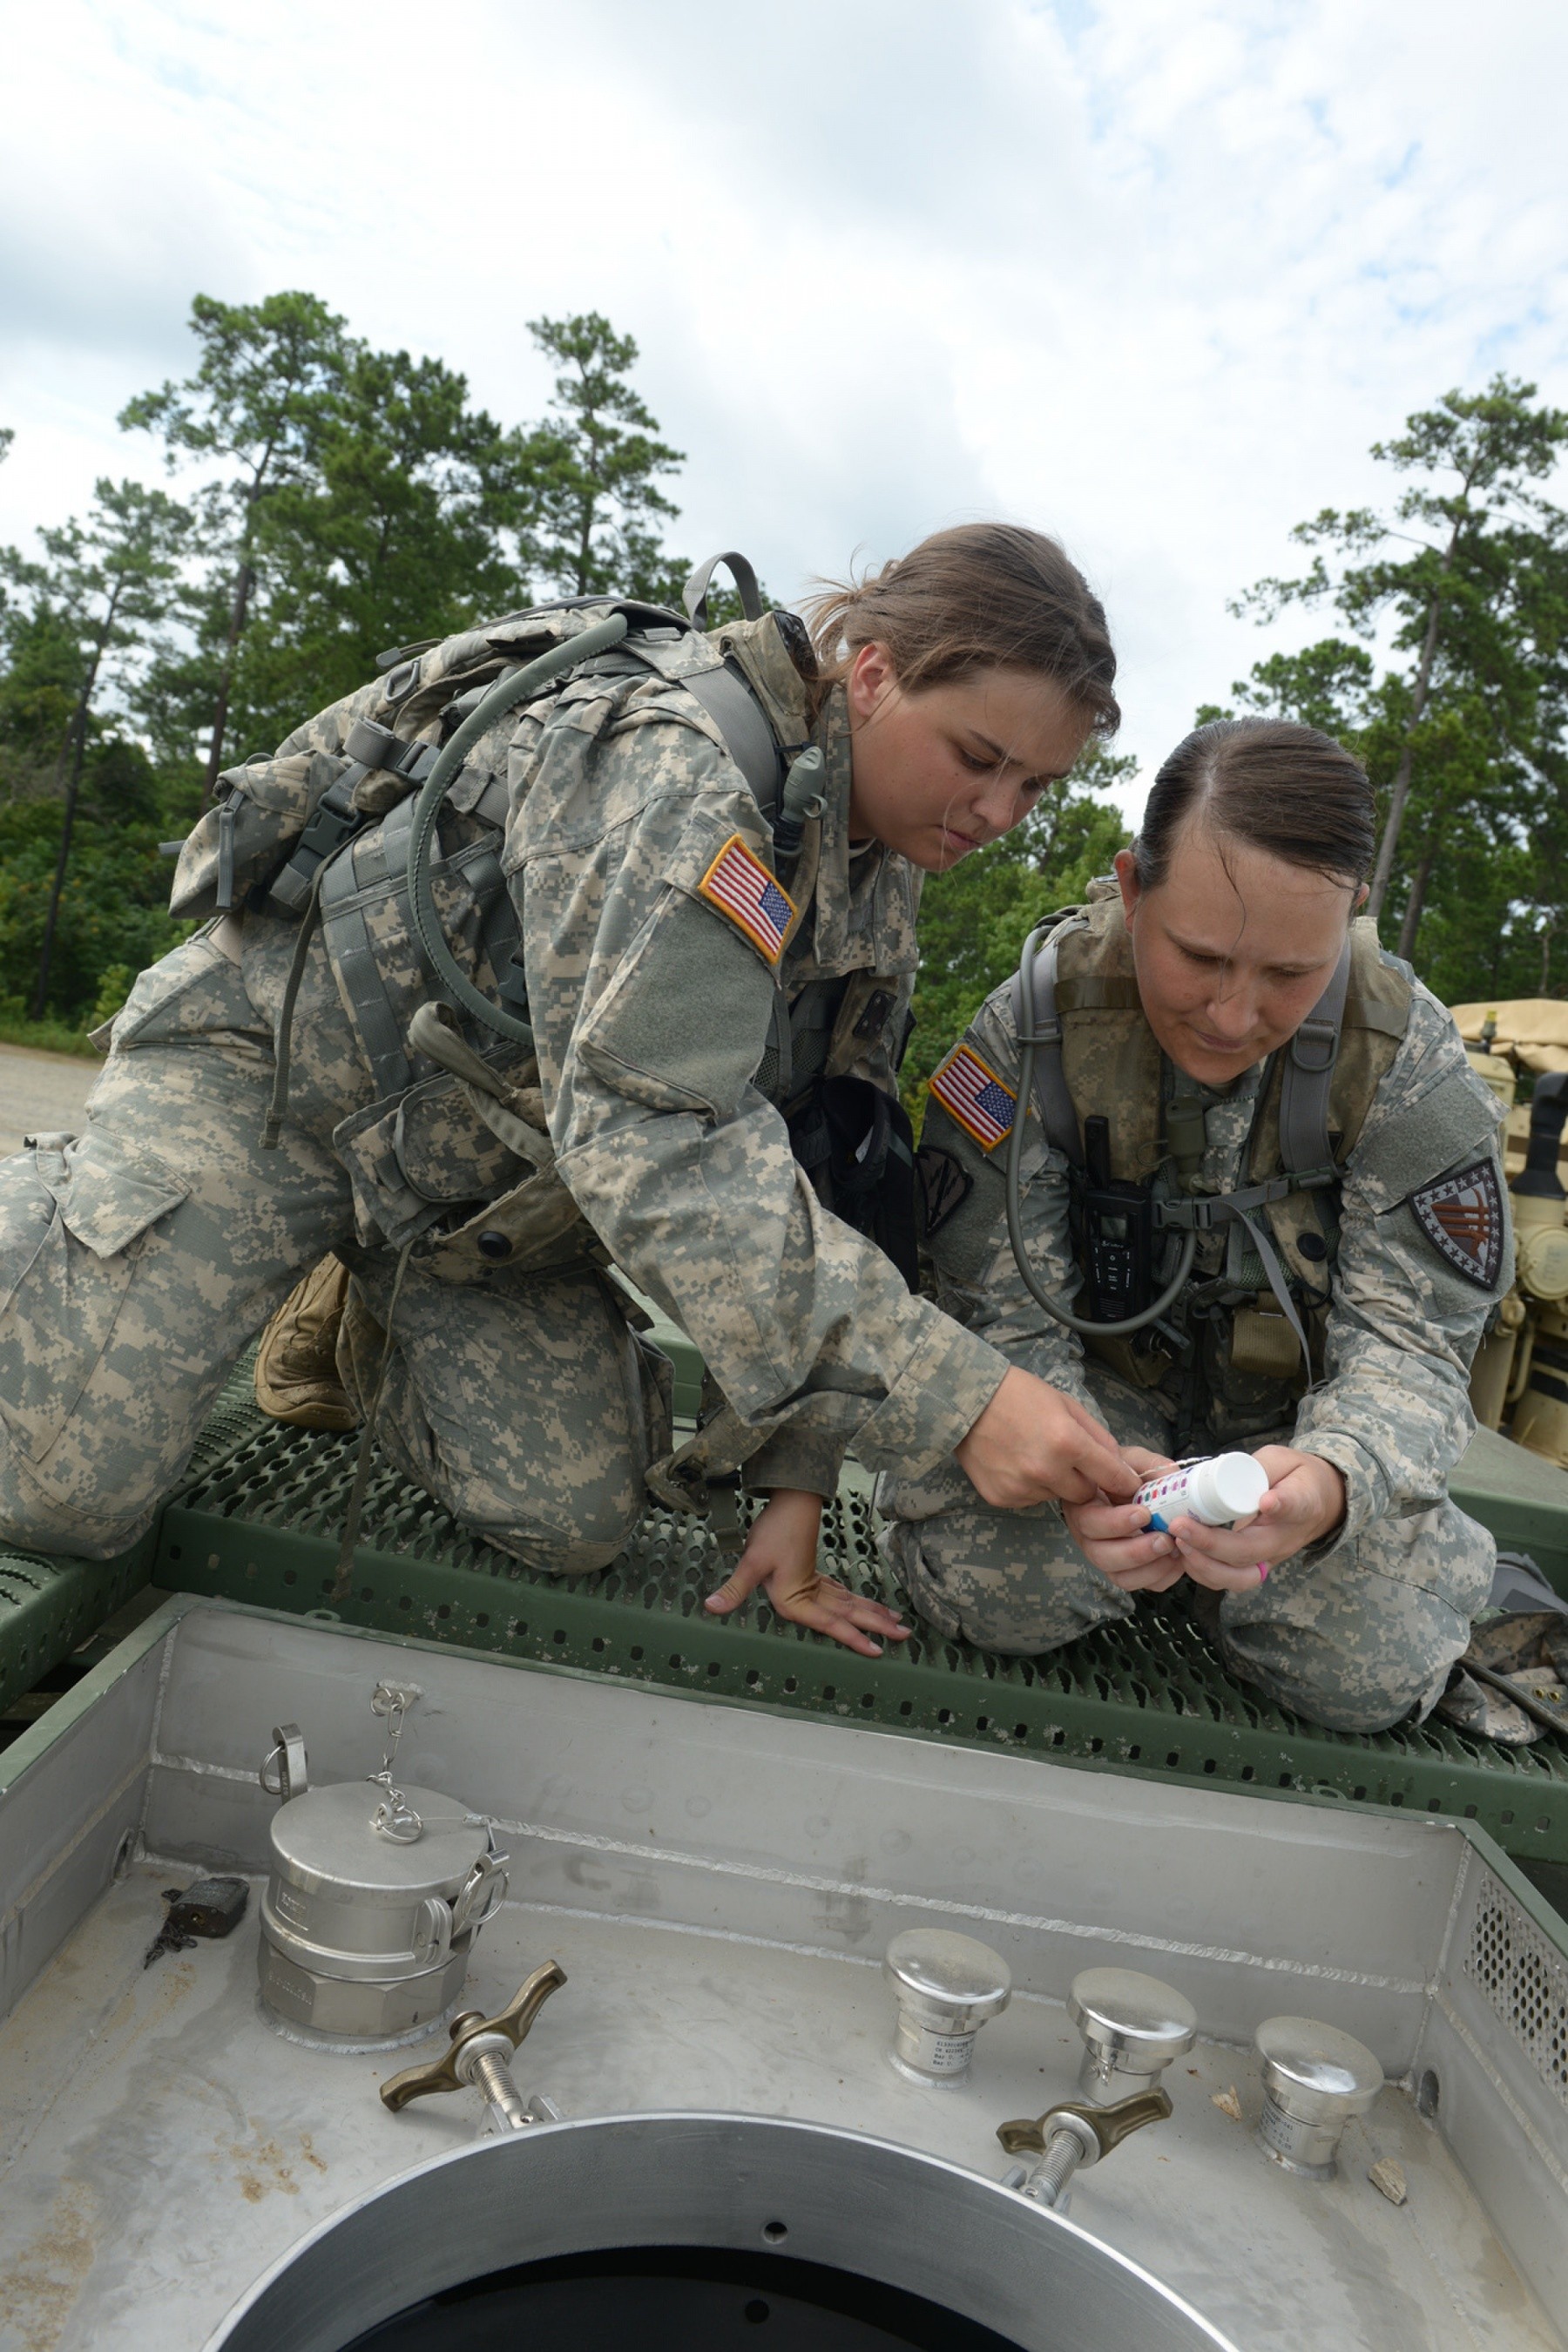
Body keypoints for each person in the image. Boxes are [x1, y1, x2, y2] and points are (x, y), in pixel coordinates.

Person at [0, 525, 1140, 1647]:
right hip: (275, 1082)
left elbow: (821, 1148)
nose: (999, 814)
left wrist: (795, 1475)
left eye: (1036, 786)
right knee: (62, 1492)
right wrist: (959, 1400)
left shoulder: (878, 857)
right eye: (978, 758)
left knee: (572, 1520)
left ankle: (356, 1300)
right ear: (876, 678)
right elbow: (660, 1150)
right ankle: (70, 1219)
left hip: (465, 1188)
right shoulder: (679, 767)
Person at [767, 716, 1503, 1734]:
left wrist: (1335, 1480)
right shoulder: (1035, 1030)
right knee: (998, 1592)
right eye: (1199, 956)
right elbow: (999, 1313)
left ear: (1352, 916)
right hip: (1095, 1412)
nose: (1234, 1015)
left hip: (1297, 1438)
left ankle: (1248, 1572)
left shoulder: (1405, 1058)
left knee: (1365, 1672)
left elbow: (1416, 1346)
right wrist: (1083, 1473)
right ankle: (1149, 1565)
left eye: (1289, 975)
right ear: (1132, 886)